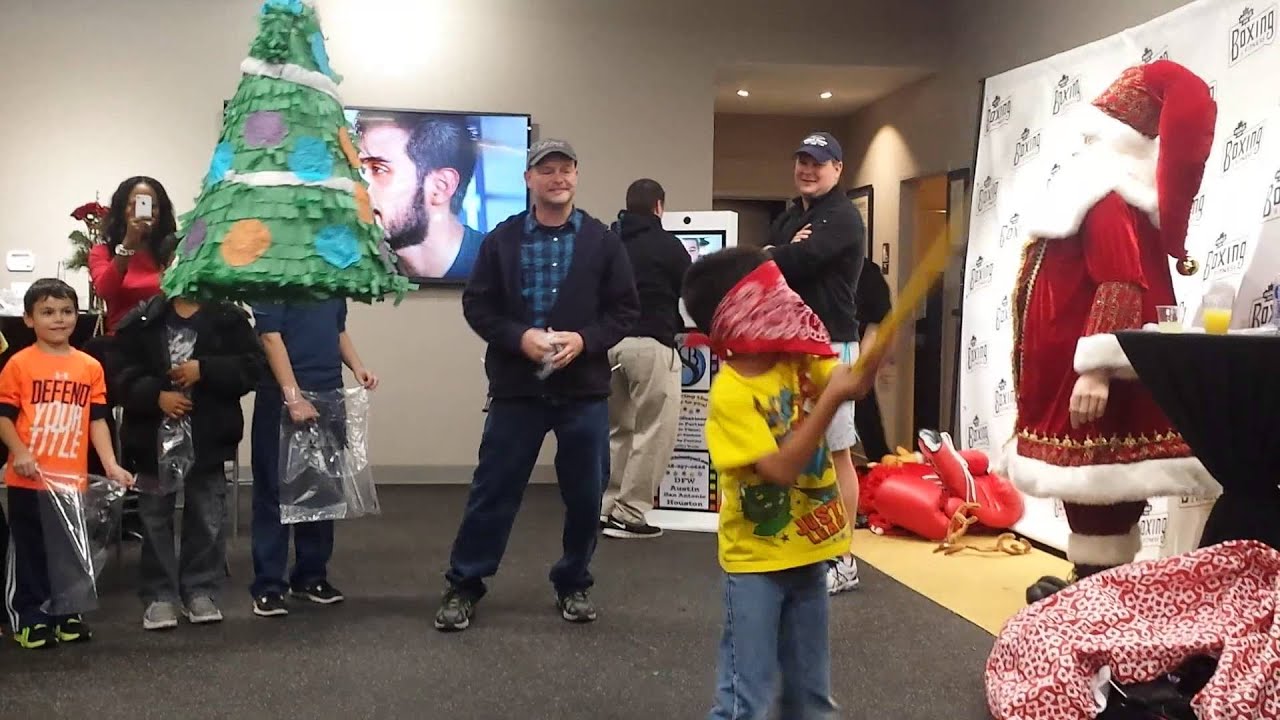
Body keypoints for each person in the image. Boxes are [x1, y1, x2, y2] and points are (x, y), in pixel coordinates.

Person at [1011, 60, 1220, 590]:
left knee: (1100, 501)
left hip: (1084, 384)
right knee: (1097, 506)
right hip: (1072, 375)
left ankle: (1097, 598)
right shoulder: (1105, 188)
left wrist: (1097, 370)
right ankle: (1096, 591)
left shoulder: (1105, 194)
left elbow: (1121, 282)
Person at [435, 139, 639, 632]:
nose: (557, 178)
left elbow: (625, 311)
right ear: (529, 179)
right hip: (515, 392)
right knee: (493, 492)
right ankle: (465, 585)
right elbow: (478, 307)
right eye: (546, 170)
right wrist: (517, 337)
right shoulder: (501, 241)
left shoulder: (602, 241)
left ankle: (574, 582)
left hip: (584, 393)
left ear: (577, 175)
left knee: (586, 496)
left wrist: (586, 339)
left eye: (566, 169)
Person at [681, 247, 878, 719]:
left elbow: (850, 380)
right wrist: (832, 399)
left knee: (812, 697)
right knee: (743, 700)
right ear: (744, 313)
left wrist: (875, 346)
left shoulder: (797, 362)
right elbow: (782, 468)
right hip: (755, 566)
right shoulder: (731, 393)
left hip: (809, 554)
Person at [109, 292, 265, 630]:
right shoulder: (142, 320)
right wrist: (155, 396)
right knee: (154, 518)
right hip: (151, 443)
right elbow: (119, 375)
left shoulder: (229, 319)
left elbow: (253, 367)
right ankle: (159, 595)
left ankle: (200, 589)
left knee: (208, 516)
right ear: (167, 271)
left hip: (209, 438)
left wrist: (205, 369)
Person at [0, 279, 133, 649]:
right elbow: (4, 417)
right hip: (28, 479)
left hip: (70, 482)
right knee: (29, 552)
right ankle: (30, 617)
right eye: (47, 312)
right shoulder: (18, 364)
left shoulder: (89, 366)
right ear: (29, 319)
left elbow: (97, 420)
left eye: (66, 311)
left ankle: (67, 613)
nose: (58, 319)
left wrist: (110, 464)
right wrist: (21, 452)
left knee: (70, 550)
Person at [765, 131, 867, 596]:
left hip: (831, 348)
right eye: (802, 161)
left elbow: (790, 262)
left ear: (838, 169)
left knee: (836, 452)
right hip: (789, 349)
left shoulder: (843, 218)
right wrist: (780, 253)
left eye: (818, 163)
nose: (808, 169)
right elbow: (769, 264)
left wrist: (780, 254)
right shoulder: (792, 216)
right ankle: (804, 549)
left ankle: (842, 558)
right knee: (793, 452)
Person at [248, 299, 379, 617]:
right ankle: (269, 585)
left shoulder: (328, 278)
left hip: (327, 393)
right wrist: (293, 397)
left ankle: (310, 576)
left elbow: (338, 330)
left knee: (322, 487)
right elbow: (270, 337)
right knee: (274, 491)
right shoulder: (275, 276)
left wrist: (357, 366)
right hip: (283, 397)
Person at [600, 179, 691, 539]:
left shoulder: (609, 241)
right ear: (659, 207)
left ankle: (607, 507)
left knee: (618, 430)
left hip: (608, 347)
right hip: (652, 344)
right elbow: (693, 289)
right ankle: (631, 512)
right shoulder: (668, 245)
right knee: (654, 431)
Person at [355, 112, 485, 280]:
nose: (357, 187)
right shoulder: (357, 270)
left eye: (378, 169)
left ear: (440, 187)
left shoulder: (503, 269)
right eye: (358, 170)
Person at [88, 177, 178, 334]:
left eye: (152, 206)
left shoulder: (173, 249)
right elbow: (104, 291)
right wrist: (127, 246)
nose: (143, 211)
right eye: (133, 205)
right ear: (122, 209)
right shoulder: (102, 251)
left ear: (161, 212)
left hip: (167, 342)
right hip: (122, 343)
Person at [852, 259, 893, 465]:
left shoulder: (867, 274)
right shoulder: (803, 264)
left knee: (871, 434)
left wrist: (863, 369)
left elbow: (878, 322)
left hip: (853, 365)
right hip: (806, 368)